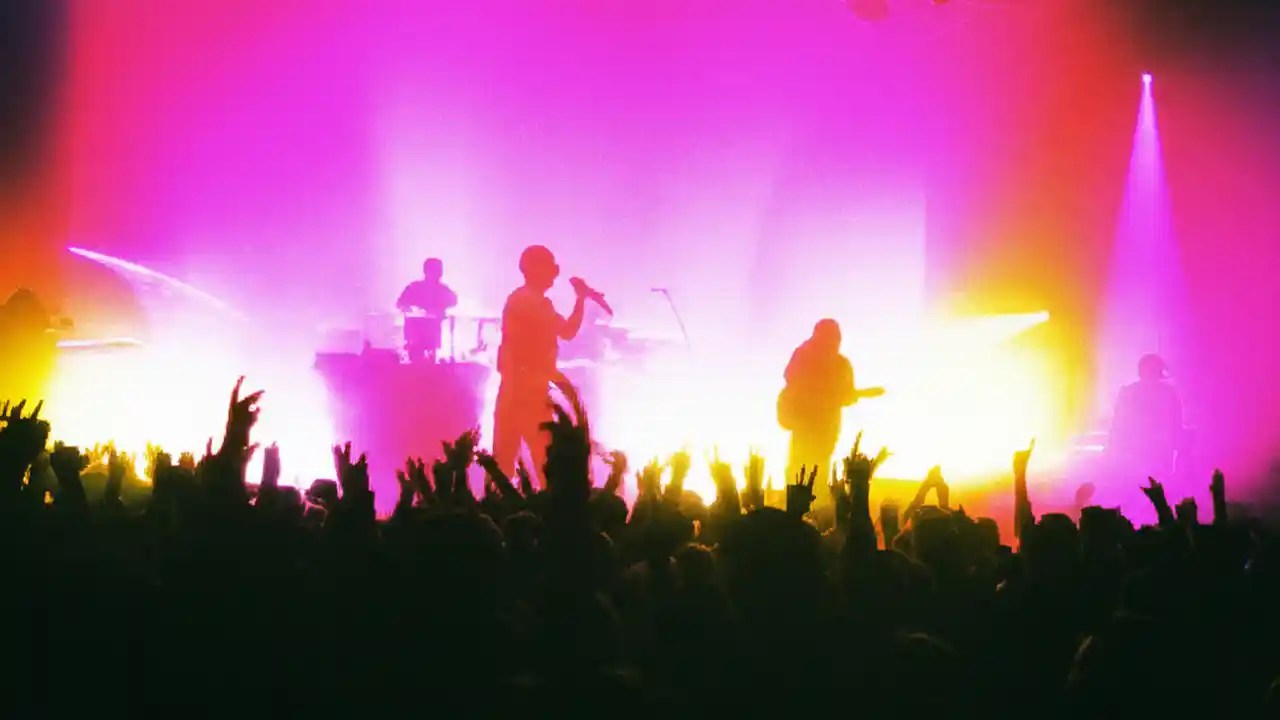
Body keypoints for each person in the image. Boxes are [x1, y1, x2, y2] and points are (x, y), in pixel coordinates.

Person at [491, 245, 588, 487]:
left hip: (531, 394)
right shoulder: (524, 301)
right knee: (512, 465)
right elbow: (527, 352)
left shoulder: (540, 303)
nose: (554, 274)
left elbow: (567, 332)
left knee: (537, 464)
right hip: (520, 394)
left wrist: (581, 299)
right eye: (548, 267)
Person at [777, 319, 882, 498]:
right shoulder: (806, 355)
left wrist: (855, 394)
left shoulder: (838, 363)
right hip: (806, 426)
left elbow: (845, 396)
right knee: (803, 470)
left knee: (813, 471)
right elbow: (792, 379)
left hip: (822, 428)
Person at [1108, 353, 1183, 484]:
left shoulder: (1130, 393)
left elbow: (1118, 423)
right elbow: (1119, 422)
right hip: (1145, 451)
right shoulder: (1168, 393)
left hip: (1149, 452)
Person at [396, 257, 457, 363]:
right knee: (415, 360)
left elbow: (453, 300)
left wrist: (437, 310)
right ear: (427, 271)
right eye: (436, 271)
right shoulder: (415, 287)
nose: (439, 274)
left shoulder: (442, 290)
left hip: (431, 333)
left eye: (439, 271)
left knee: (429, 360)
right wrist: (415, 310)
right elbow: (400, 303)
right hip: (415, 332)